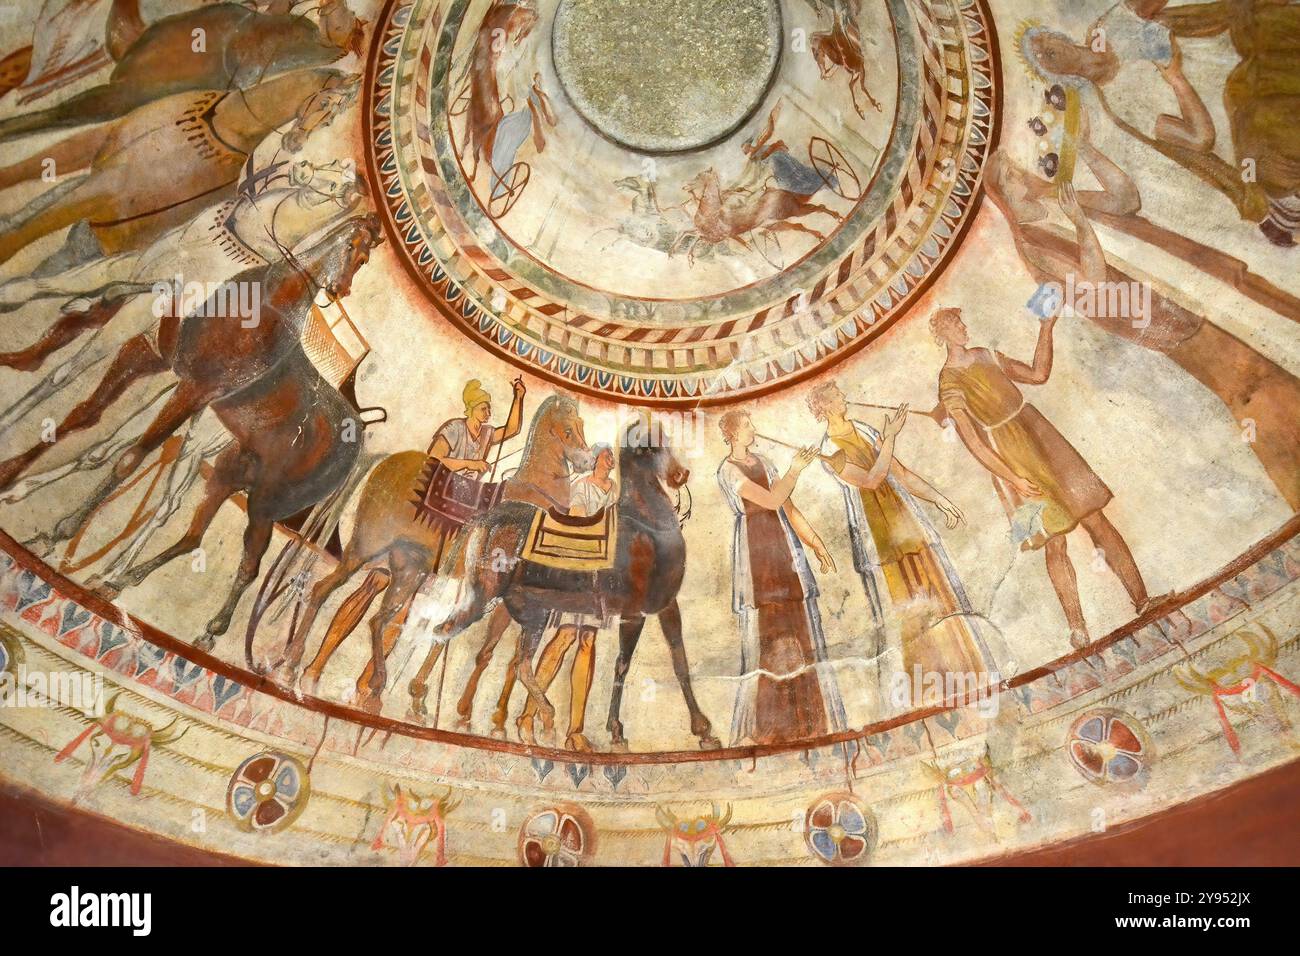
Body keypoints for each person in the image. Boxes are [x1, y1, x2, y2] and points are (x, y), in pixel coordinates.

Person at [931, 306, 1156, 649]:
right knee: (1054, 540)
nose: (964, 327)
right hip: (1012, 456)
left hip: (1041, 435)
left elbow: (1037, 375)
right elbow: (974, 443)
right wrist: (1013, 479)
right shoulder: (949, 381)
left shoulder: (986, 355)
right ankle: (1078, 627)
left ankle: (1142, 600)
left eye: (962, 320)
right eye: (956, 324)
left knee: (1096, 519)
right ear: (943, 335)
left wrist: (1046, 327)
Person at [807, 382, 998, 694]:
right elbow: (871, 479)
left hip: (906, 521)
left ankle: (970, 670)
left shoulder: (866, 431)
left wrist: (938, 499)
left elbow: (902, 474)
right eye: (837, 395)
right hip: (877, 534)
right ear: (825, 405)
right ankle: (930, 690)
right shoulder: (828, 450)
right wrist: (891, 438)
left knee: (939, 595)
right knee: (907, 613)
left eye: (842, 392)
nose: (844, 397)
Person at [717, 410, 846, 746]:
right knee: (770, 642)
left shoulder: (763, 461)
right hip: (759, 558)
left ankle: (810, 725)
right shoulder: (728, 470)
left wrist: (815, 543)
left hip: (784, 554)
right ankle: (772, 732)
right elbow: (770, 500)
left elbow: (788, 507)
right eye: (747, 425)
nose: (753, 429)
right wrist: (796, 470)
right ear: (731, 433)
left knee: (801, 637)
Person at [515, 443, 617, 751]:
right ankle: (527, 714)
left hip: (603, 580)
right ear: (595, 458)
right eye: (606, 454)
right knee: (564, 638)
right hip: (579, 573)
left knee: (588, 642)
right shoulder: (581, 486)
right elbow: (576, 521)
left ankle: (575, 731)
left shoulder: (615, 492)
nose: (611, 459)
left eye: (612, 455)